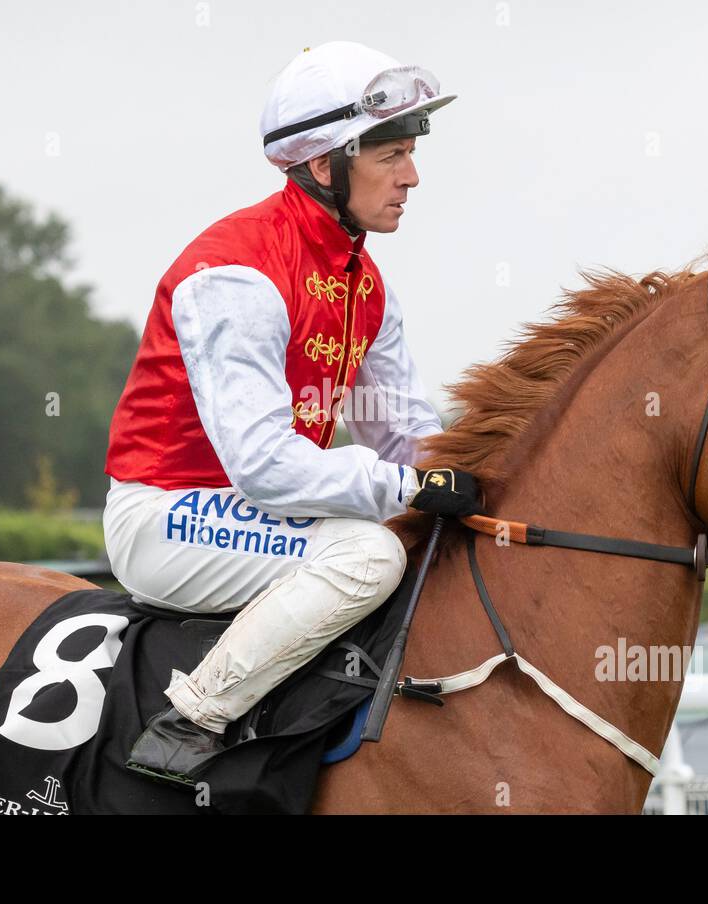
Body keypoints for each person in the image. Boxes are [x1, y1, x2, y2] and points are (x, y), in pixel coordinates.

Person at [103, 41, 483, 785]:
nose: (412, 176)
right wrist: (407, 489)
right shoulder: (235, 273)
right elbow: (265, 464)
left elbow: (406, 434)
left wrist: (474, 471)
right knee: (371, 554)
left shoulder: (364, 283)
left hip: (258, 513)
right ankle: (194, 720)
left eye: (410, 153)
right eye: (391, 157)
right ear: (323, 164)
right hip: (167, 514)